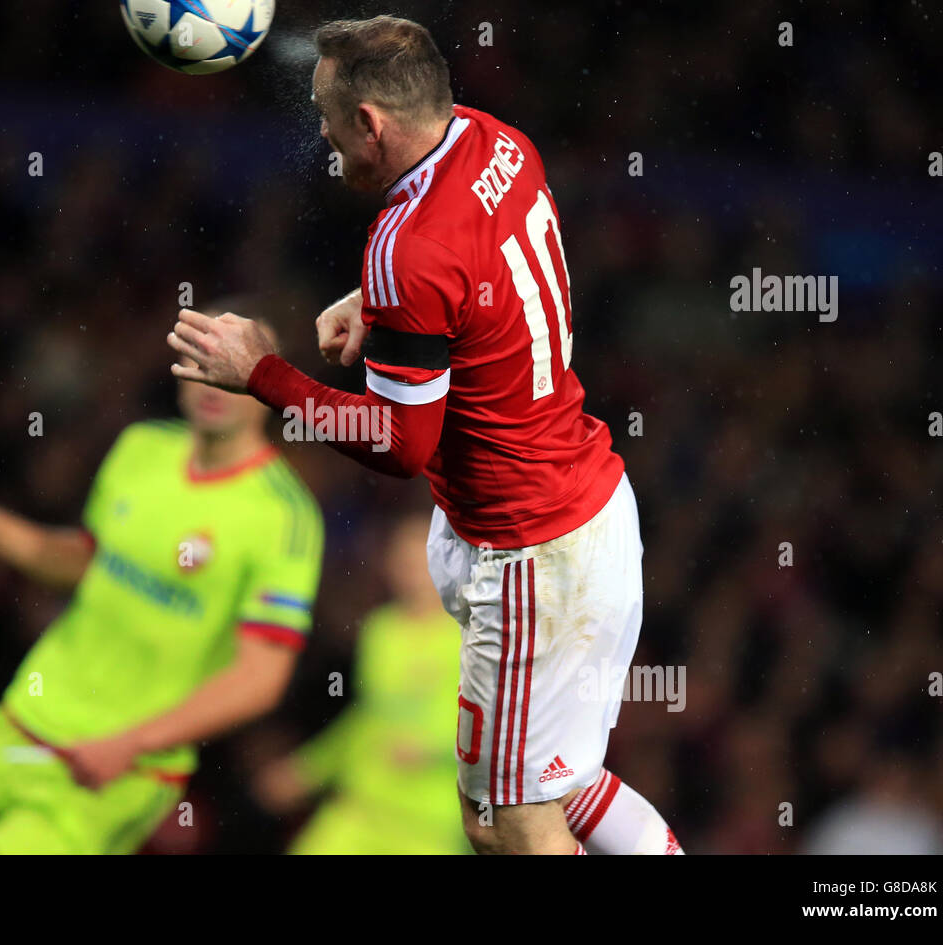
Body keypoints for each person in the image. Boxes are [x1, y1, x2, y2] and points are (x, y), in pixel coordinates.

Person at [166, 16, 681, 855]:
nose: (324, 139)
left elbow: (399, 445)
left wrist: (265, 374)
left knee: (505, 818)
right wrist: (377, 304)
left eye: (329, 121)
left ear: (370, 122)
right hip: (583, 502)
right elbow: (470, 274)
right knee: (567, 776)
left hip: (531, 554)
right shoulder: (495, 139)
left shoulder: (407, 250)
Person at [0, 318, 324, 854]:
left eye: (236, 368)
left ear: (270, 384)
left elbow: (261, 677)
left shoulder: (284, 515)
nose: (215, 384)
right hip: (20, 720)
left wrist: (133, 742)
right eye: (204, 362)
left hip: (114, 766)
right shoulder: (141, 447)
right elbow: (89, 561)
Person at [256, 512, 469, 855]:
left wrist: (434, 748)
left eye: (424, 563)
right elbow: (368, 717)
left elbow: (496, 728)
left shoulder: (470, 638)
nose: (413, 576)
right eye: (403, 563)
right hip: (361, 805)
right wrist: (307, 769)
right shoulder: (381, 630)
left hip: (428, 821)